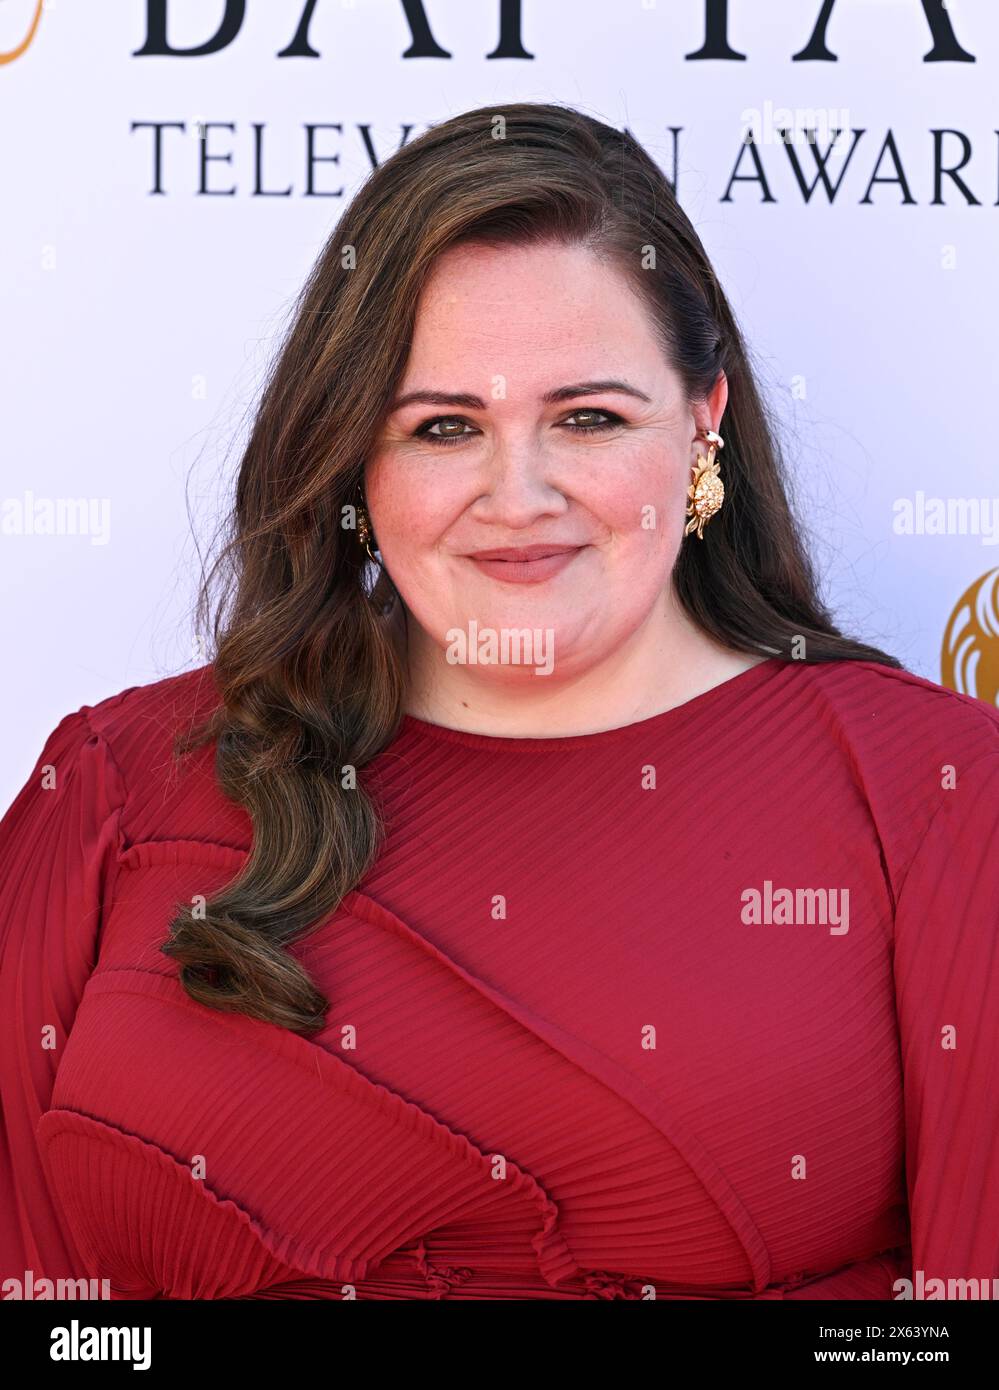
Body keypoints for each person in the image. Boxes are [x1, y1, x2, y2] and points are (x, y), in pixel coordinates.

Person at [1, 102, 997, 1301]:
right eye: (444, 427)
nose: (515, 495)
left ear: (702, 424)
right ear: (356, 457)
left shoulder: (940, 795)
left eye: (587, 418)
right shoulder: (110, 783)